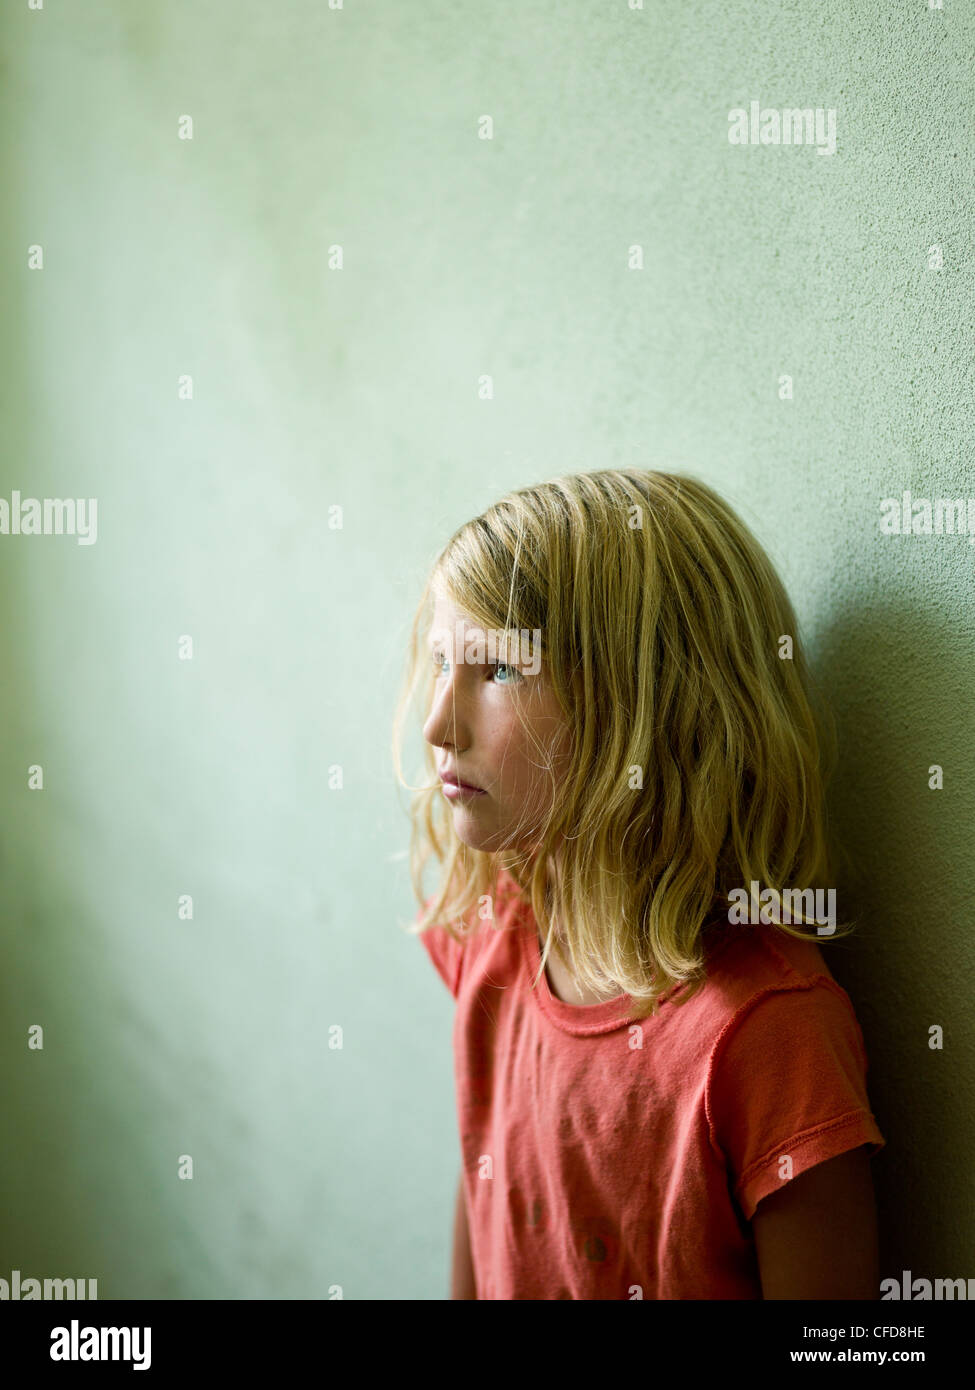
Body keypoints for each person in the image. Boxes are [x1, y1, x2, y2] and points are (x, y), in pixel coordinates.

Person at [392, 468, 885, 1300]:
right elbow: (487, 1188)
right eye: (442, 663)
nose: (439, 723)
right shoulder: (494, 935)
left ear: (648, 707)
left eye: (499, 670)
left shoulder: (768, 1034)